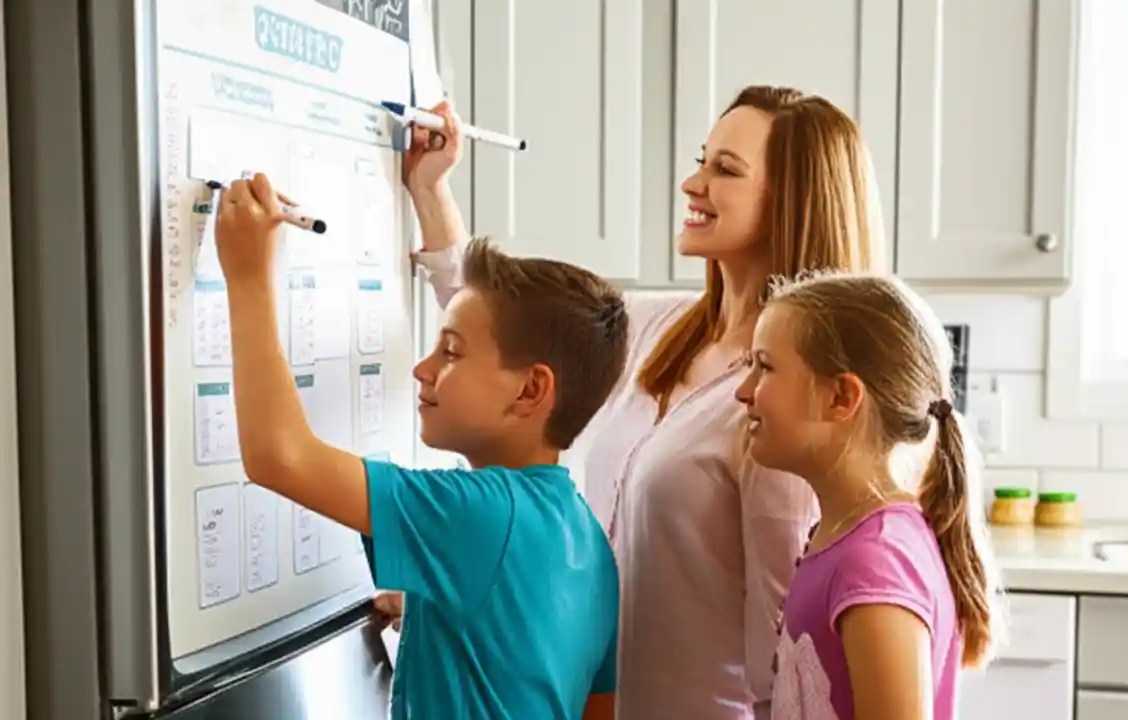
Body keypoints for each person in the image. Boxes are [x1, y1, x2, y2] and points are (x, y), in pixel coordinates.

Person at [404, 85, 887, 717]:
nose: (693, 183)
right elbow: (499, 333)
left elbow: (779, 651)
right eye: (702, 160)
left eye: (725, 170)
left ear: (793, 203)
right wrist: (431, 190)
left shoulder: (789, 400)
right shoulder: (658, 328)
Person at [213, 173, 625, 720]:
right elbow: (596, 709)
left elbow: (278, 456)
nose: (422, 369)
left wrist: (246, 274)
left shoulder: (481, 513)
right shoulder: (587, 540)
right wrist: (445, 613)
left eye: (450, 352)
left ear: (530, 391)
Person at [733, 272, 1004, 719]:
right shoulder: (844, 537)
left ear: (841, 397)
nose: (743, 391)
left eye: (765, 367)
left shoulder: (875, 561)